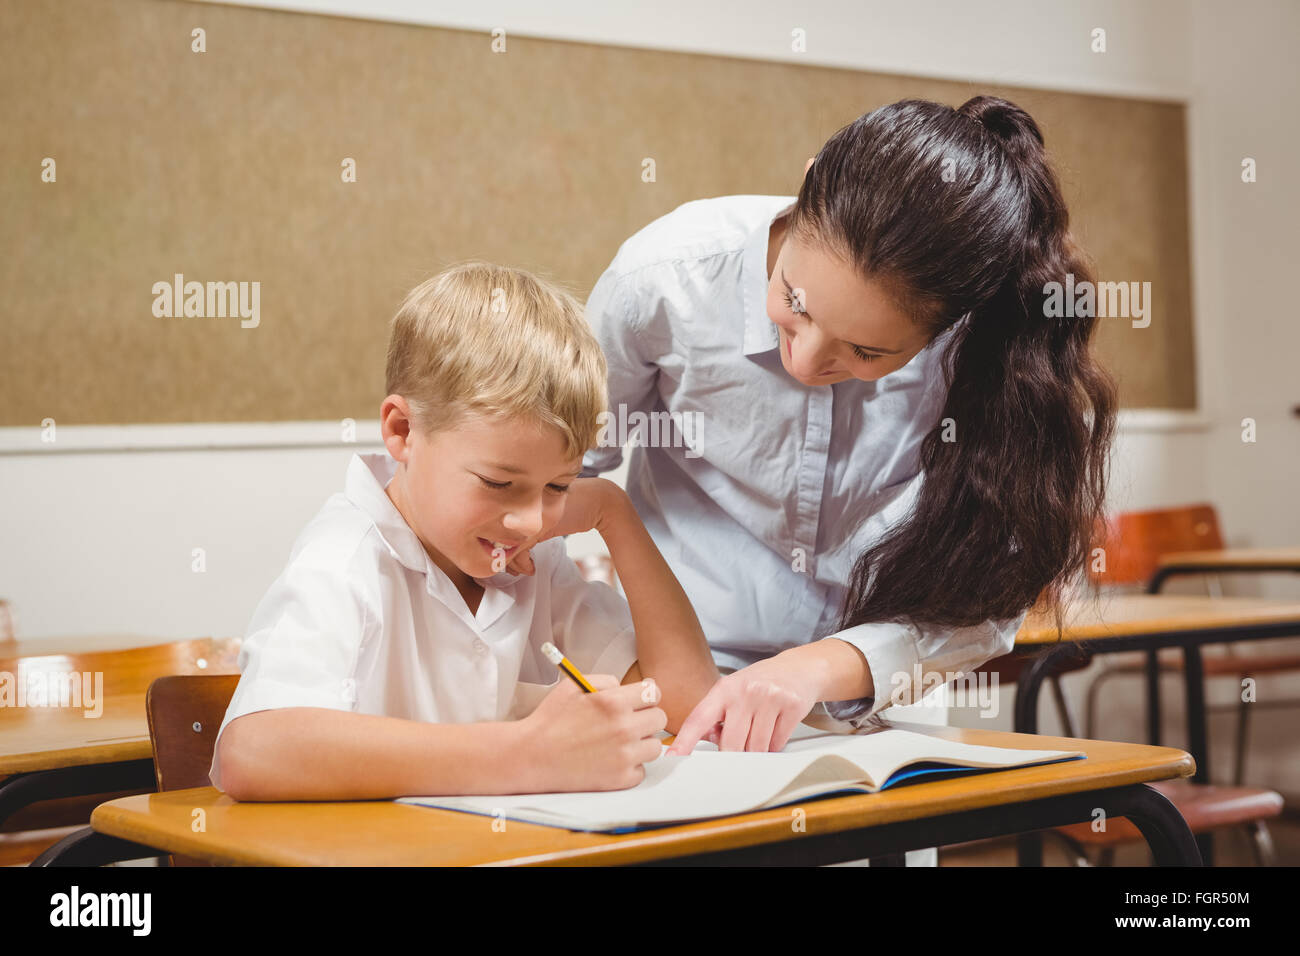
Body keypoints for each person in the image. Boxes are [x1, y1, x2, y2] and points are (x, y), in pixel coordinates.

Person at [530, 95, 1118, 758]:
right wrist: (602, 642)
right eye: (793, 303)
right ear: (809, 187)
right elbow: (551, 479)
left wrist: (818, 668)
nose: (806, 361)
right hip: (671, 679)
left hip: (875, 702)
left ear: (953, 321)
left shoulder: (992, 352)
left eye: (868, 352)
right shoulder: (665, 281)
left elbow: (987, 595)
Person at [210, 262, 720, 801]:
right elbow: (251, 750)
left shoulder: (531, 562)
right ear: (402, 431)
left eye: (558, 486)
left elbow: (687, 703)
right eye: (499, 483)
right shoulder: (345, 558)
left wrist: (614, 513)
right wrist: (528, 755)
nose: (529, 520)